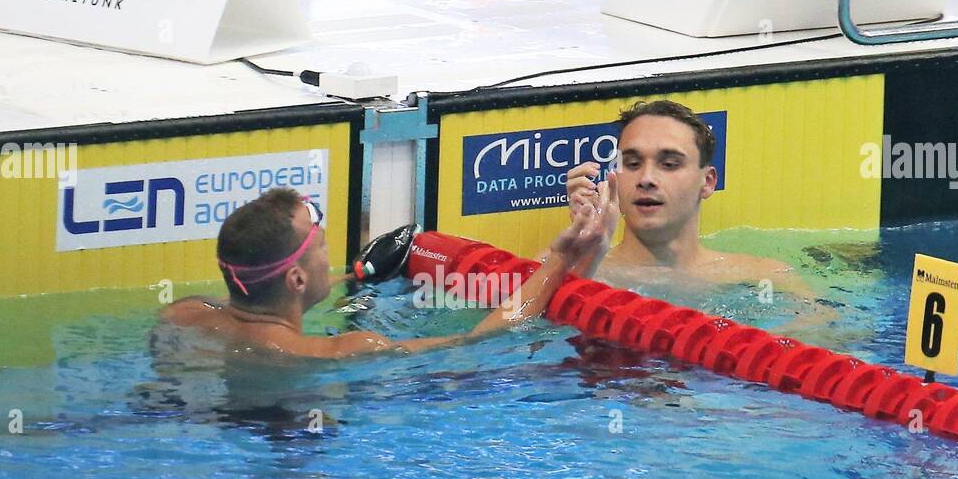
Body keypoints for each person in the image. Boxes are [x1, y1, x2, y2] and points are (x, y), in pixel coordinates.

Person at [161, 183, 619, 358]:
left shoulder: (183, 315)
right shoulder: (344, 349)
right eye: (322, 250)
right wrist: (560, 257)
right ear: (297, 280)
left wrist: (356, 276)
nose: (331, 259)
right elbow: (483, 336)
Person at [563, 99, 811, 297]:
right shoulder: (571, 269)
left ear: (708, 181)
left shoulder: (766, 278)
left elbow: (826, 340)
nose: (646, 178)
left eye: (669, 164)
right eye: (632, 163)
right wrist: (583, 256)